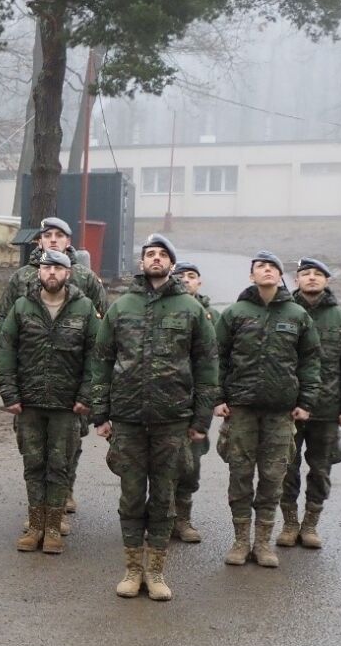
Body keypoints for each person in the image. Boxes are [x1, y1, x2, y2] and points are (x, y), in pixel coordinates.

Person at [91, 235, 218, 601]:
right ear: (142, 262)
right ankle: (132, 569)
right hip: (128, 419)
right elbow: (101, 361)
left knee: (163, 496)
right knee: (131, 495)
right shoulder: (121, 307)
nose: (156, 259)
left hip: (172, 419)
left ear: (172, 265)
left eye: (163, 255)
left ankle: (157, 571)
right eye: (150, 254)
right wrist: (101, 412)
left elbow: (207, 366)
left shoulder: (191, 309)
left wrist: (200, 419)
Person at [214, 250, 321, 569]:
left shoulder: (297, 315)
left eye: (273, 267)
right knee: (240, 475)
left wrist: (305, 402)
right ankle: (239, 541)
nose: (267, 271)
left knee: (274, 476)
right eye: (261, 267)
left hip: (280, 412)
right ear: (251, 276)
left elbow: (310, 360)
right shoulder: (234, 313)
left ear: (281, 275)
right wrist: (218, 397)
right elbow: (216, 357)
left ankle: (262, 543)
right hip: (241, 409)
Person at [0, 217, 108, 515]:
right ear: (39, 241)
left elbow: (102, 329)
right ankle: (40, 507)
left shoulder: (85, 278)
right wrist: (10, 378)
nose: (54, 239)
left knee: (70, 441)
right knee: (32, 447)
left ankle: (64, 491)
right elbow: (3, 325)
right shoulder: (21, 278)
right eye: (48, 235)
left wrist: (92, 388)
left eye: (60, 235)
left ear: (69, 242)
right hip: (31, 378)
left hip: (69, 380)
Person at [277, 258, 341, 550]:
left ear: (327, 280)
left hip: (327, 408)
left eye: (318, 274)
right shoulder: (285, 313)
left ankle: (310, 523)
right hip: (288, 406)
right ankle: (289, 522)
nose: (311, 278)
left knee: (321, 467)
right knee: (286, 465)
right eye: (305, 274)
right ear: (296, 280)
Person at [169, 261, 213, 543]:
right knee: (161, 465)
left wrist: (216, 401)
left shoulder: (212, 318)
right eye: (180, 276)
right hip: (166, 404)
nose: (186, 280)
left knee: (190, 465)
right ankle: (163, 515)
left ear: (200, 282)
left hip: (196, 404)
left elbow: (221, 362)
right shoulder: (162, 312)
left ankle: (183, 518)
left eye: (192, 276)